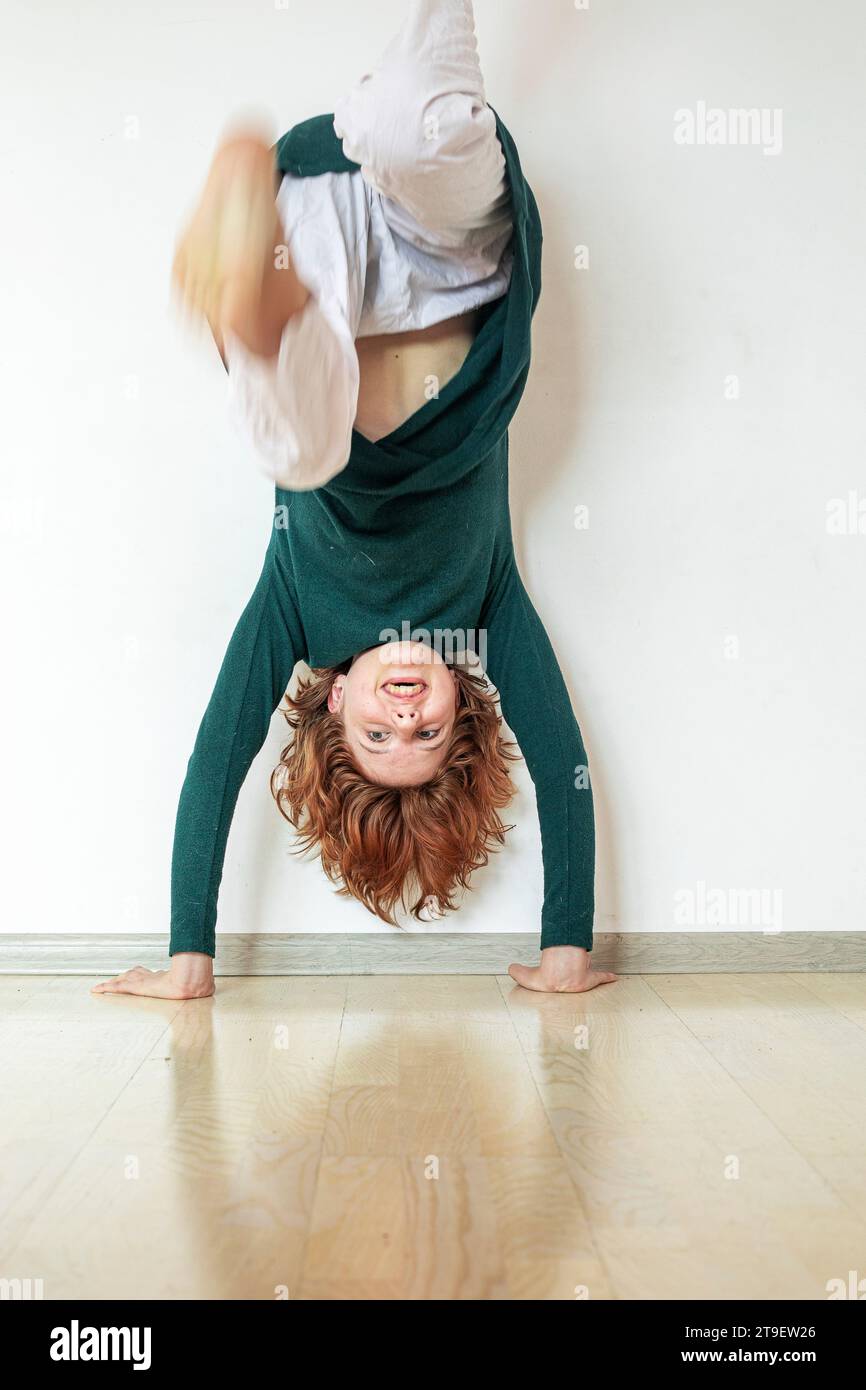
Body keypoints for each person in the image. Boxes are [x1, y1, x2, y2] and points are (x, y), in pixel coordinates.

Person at [93, 0, 615, 1001]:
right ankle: (297, 256)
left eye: (378, 736)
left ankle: (259, 307)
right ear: (463, 707)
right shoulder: (484, 615)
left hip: (317, 280)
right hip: (452, 265)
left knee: (303, 448)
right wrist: (566, 951)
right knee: (402, 118)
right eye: (427, 734)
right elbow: (561, 762)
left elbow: (217, 758)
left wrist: (189, 959)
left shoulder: (296, 615)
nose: (404, 716)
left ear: (335, 702)